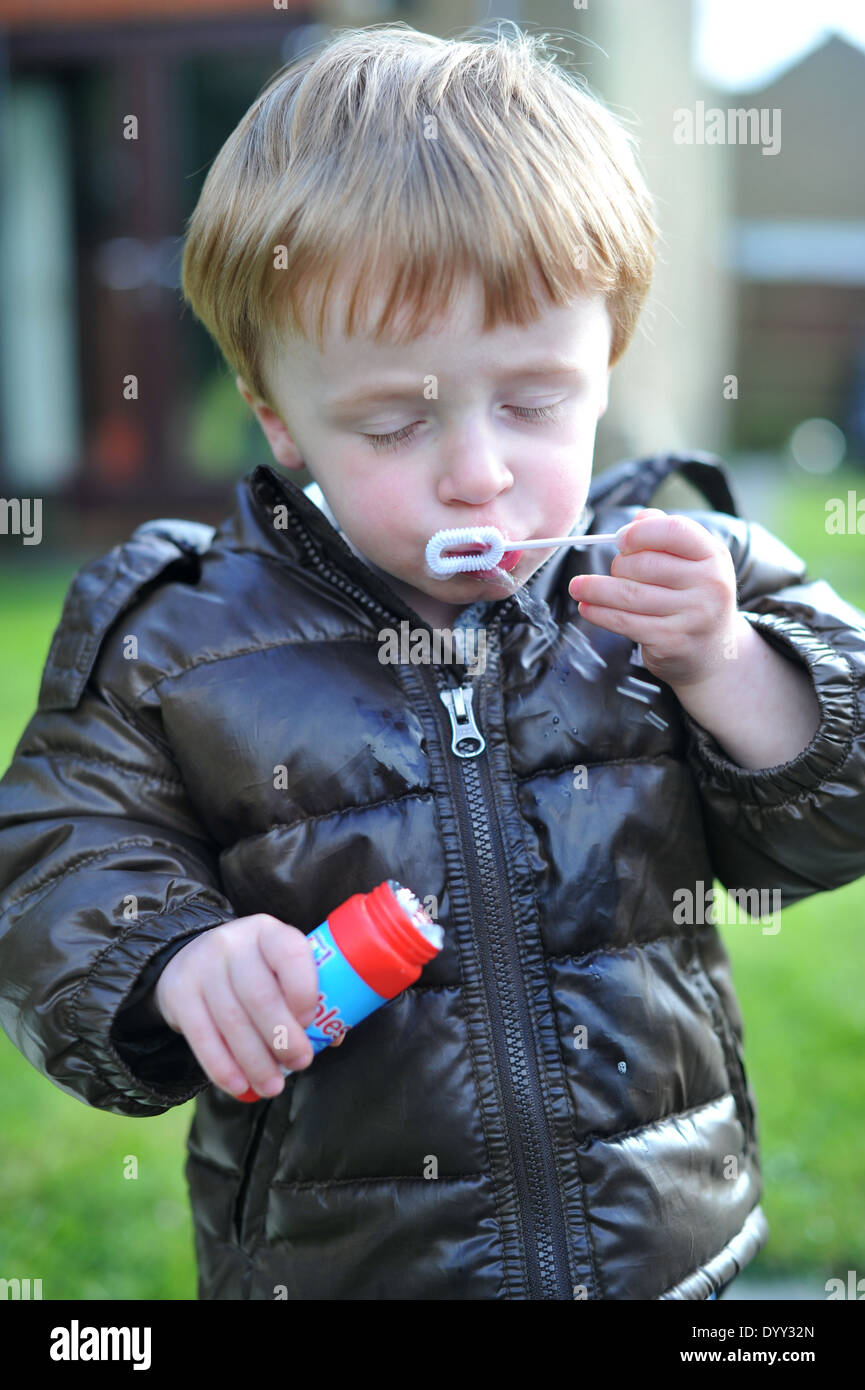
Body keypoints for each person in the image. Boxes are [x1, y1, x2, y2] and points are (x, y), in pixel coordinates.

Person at [1, 22, 864, 1302]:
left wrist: (726, 661)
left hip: (660, 1262)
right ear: (279, 412)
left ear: (603, 359)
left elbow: (835, 818)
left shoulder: (677, 579)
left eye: (532, 401)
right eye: (396, 420)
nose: (477, 471)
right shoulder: (172, 632)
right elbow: (53, 864)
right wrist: (177, 960)